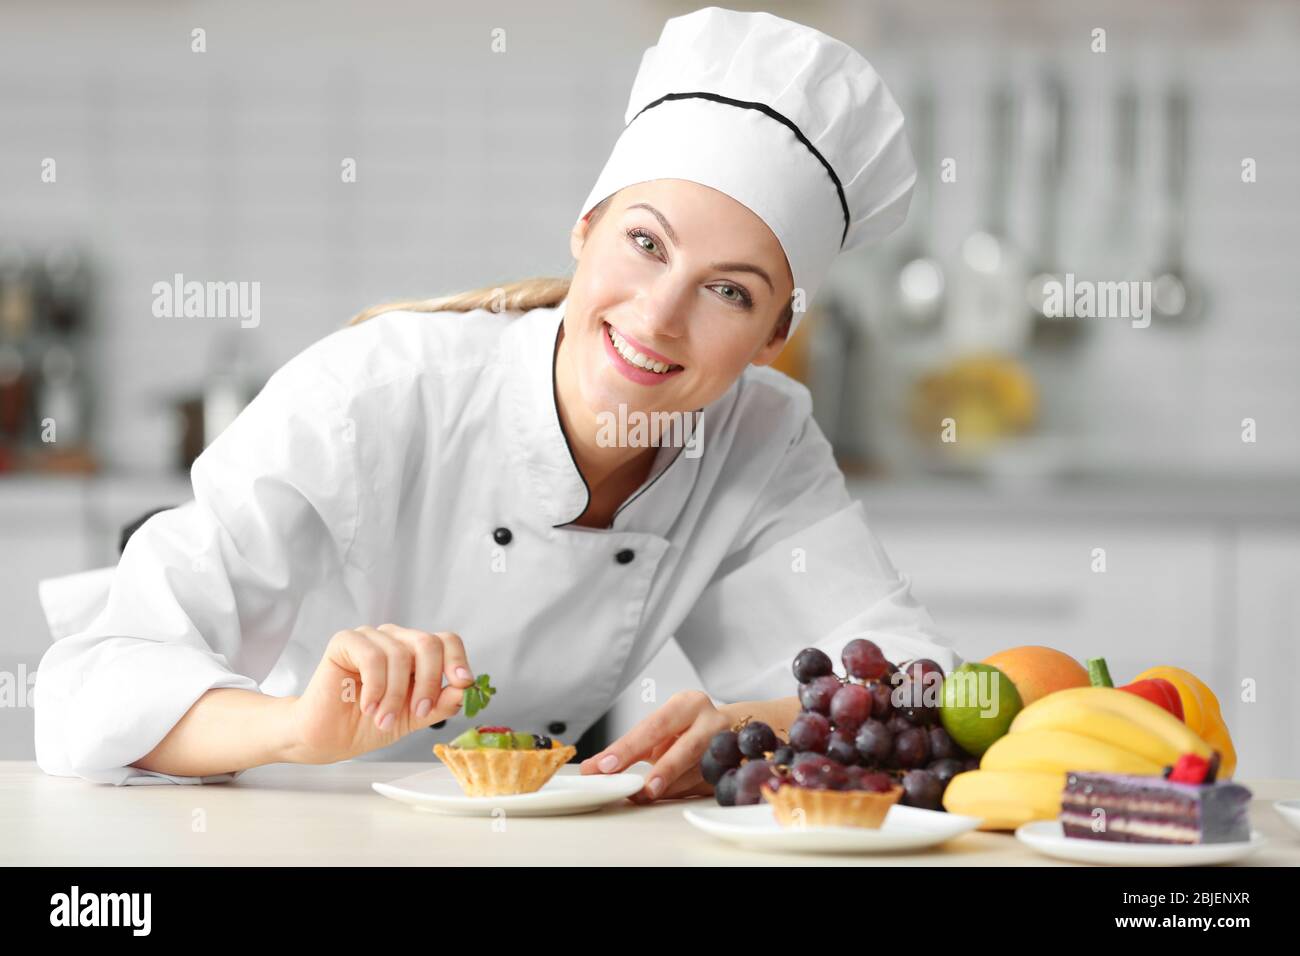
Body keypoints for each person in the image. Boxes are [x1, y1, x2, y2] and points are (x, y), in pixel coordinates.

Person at [33, 6, 961, 800]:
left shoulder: (760, 437)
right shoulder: (376, 393)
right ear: (585, 230)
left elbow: (923, 690)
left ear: (772, 337)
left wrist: (747, 722)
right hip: (300, 826)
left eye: (730, 292)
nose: (661, 315)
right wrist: (296, 728)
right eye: (645, 243)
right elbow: (89, 687)